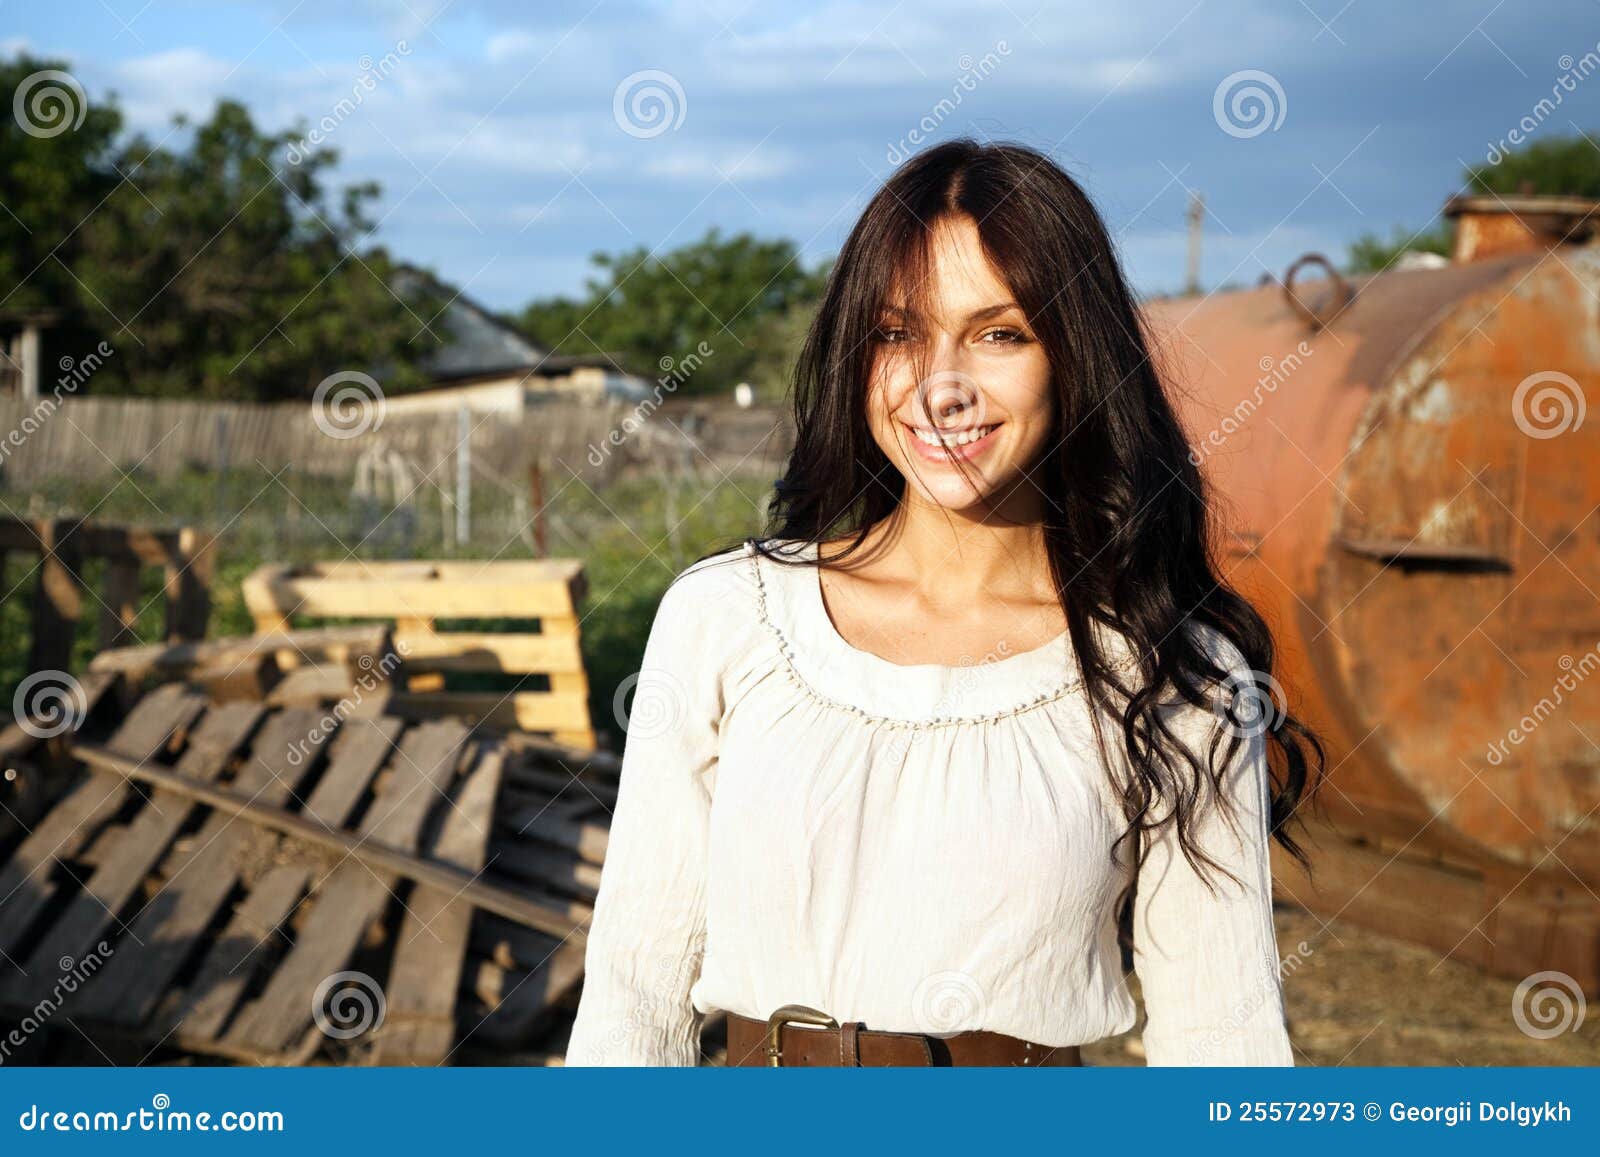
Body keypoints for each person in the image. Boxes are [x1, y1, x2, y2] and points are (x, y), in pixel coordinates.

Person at [564, 138, 1324, 1067]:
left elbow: (1224, 1037)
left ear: (1076, 358)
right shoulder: (729, 617)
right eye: (897, 334)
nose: (942, 386)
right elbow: (634, 995)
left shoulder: (1173, 666)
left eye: (1000, 334)